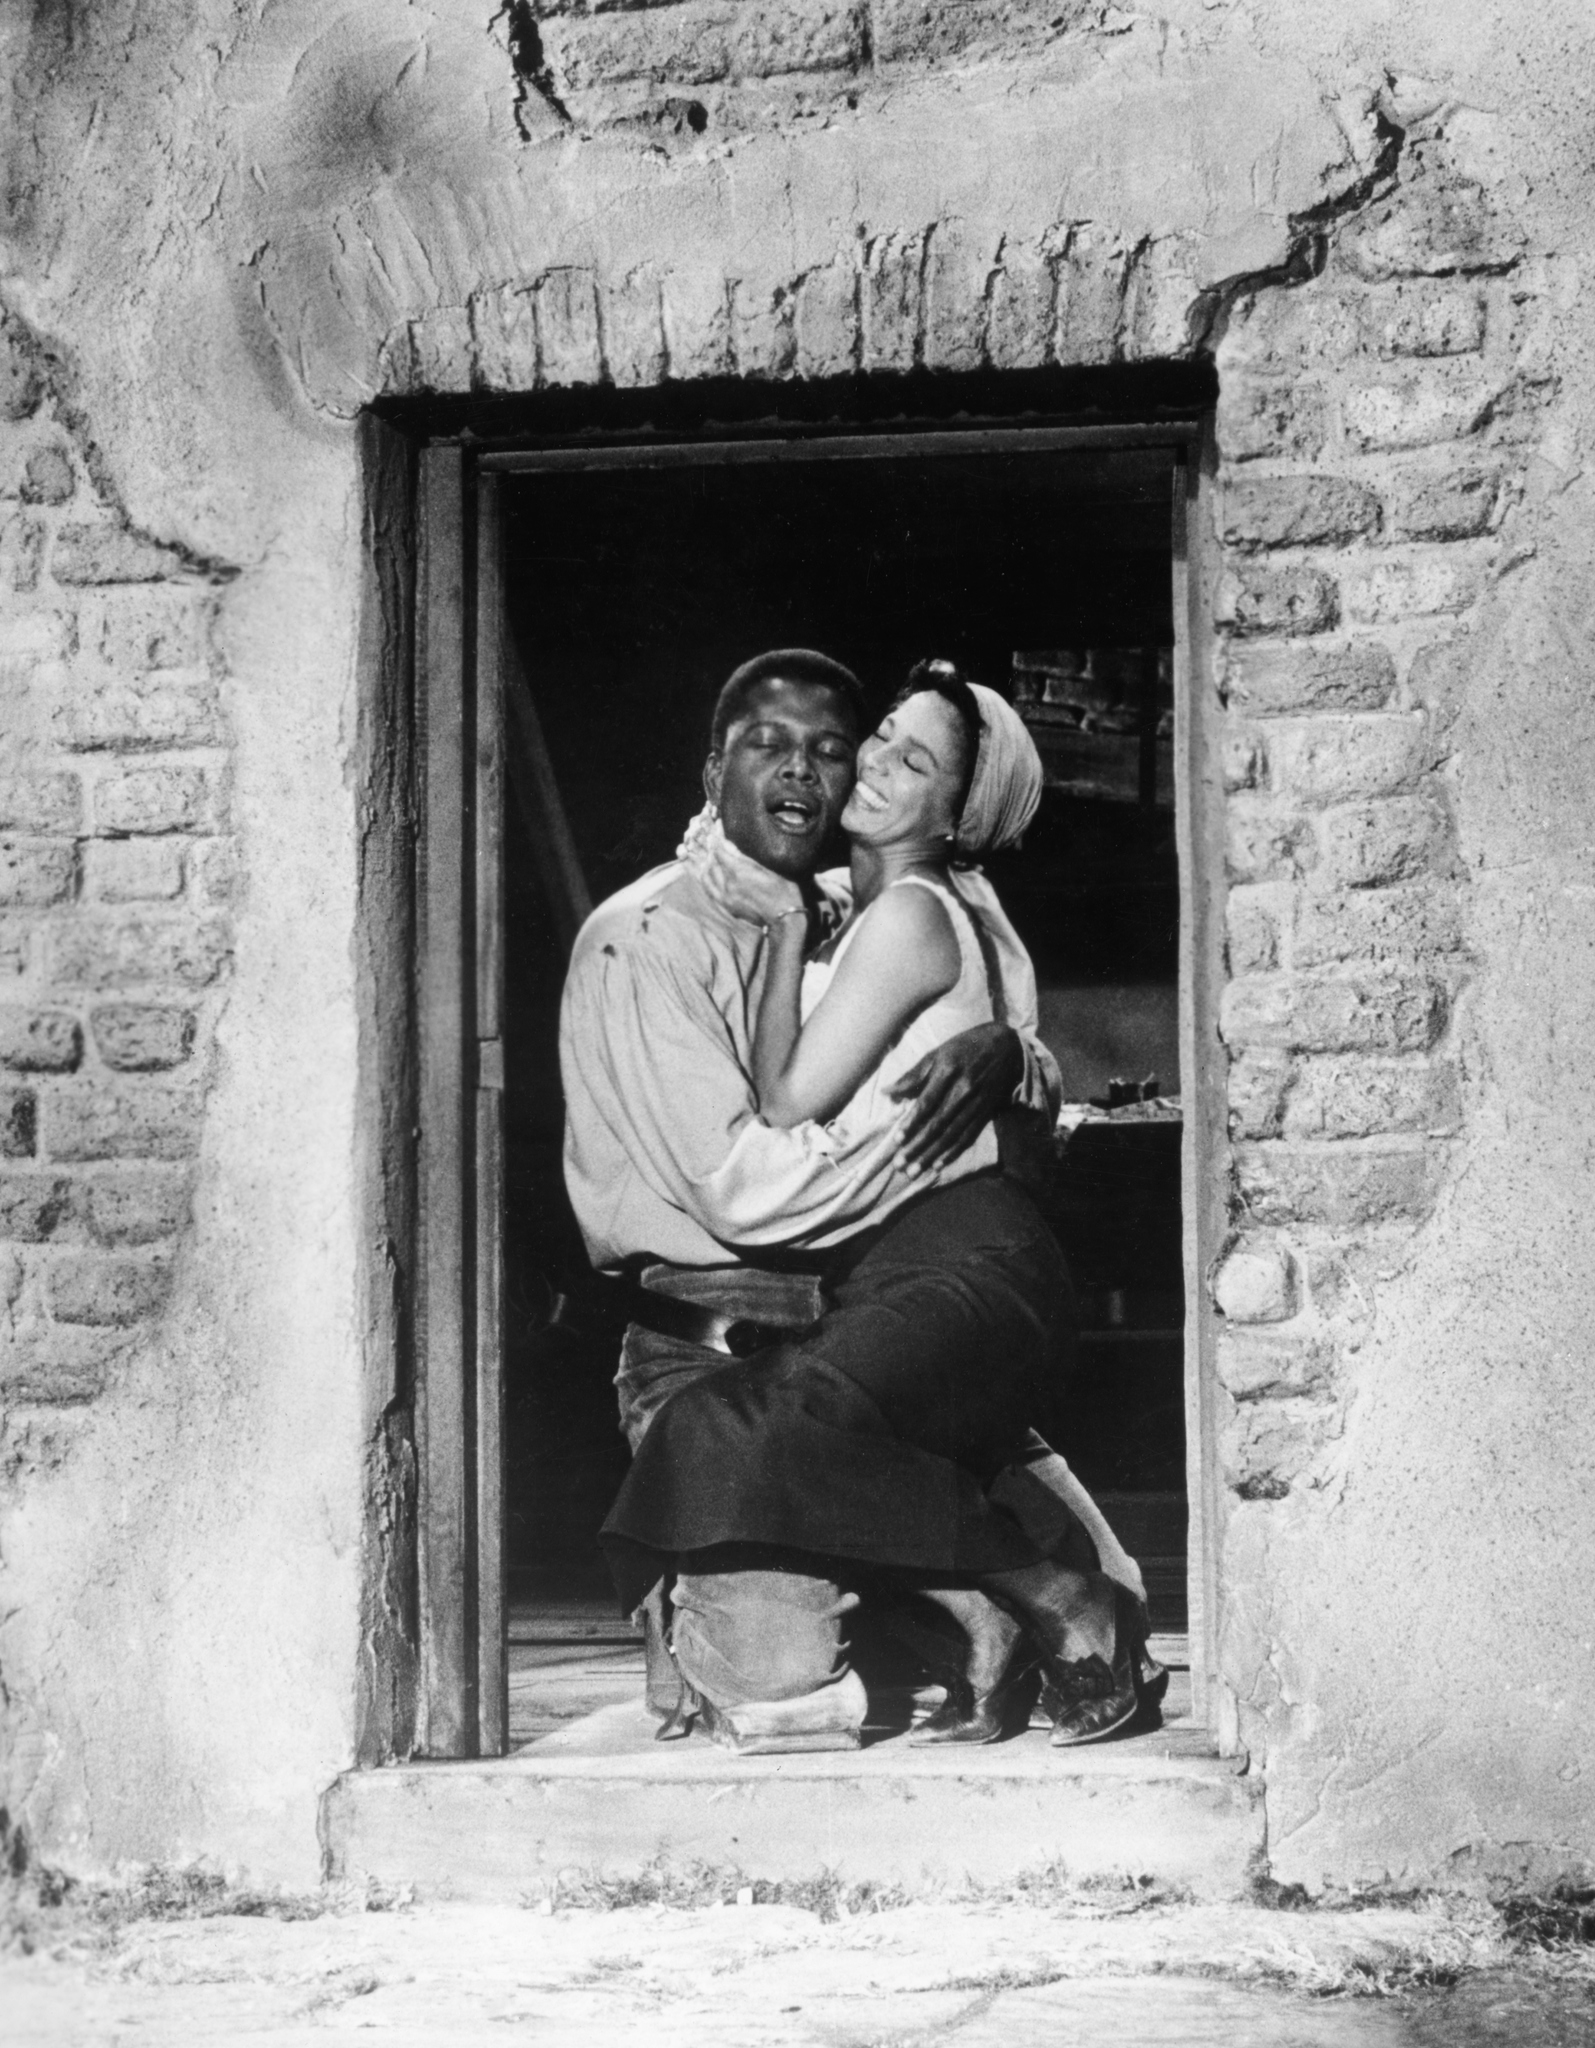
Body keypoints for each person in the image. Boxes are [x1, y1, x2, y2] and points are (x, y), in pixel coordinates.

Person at [560, 650, 1148, 1752]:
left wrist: (1014, 1056)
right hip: (737, 1322)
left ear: (954, 808)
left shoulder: (886, 902)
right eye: (770, 745)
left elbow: (961, 998)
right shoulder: (666, 932)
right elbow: (747, 1189)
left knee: (742, 1442)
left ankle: (1034, 1599)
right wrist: (955, 1105)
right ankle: (992, 1601)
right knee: (783, 1669)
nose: (831, 768)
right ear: (710, 768)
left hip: (909, 1292)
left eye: (846, 748)